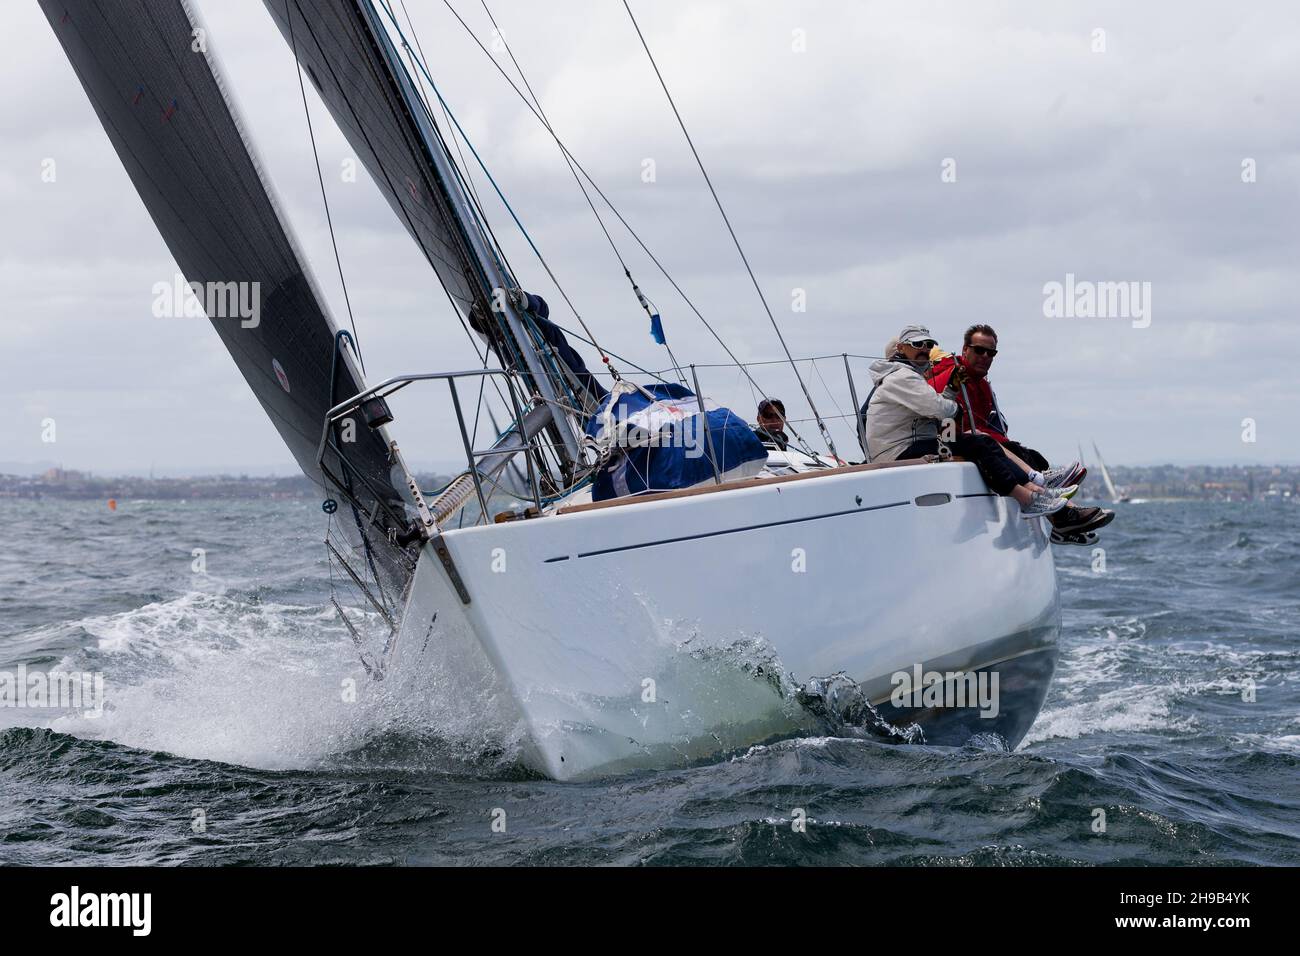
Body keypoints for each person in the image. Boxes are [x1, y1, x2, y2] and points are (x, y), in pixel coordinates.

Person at [860, 325, 1073, 517]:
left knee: (981, 441)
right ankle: (1028, 498)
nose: (924, 349)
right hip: (900, 449)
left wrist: (951, 391)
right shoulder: (902, 377)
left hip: (912, 442)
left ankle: (1037, 491)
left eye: (929, 344)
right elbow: (940, 410)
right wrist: (955, 407)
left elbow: (941, 414)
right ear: (901, 348)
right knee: (980, 444)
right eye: (918, 344)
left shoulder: (913, 376)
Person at [928, 324, 1114, 540]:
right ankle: (1061, 513)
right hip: (955, 442)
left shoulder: (981, 383)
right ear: (965, 350)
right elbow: (947, 423)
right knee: (998, 450)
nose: (985, 356)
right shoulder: (950, 378)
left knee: (1026, 454)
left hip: (978, 438)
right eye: (979, 350)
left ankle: (1065, 514)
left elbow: (985, 425)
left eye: (991, 353)